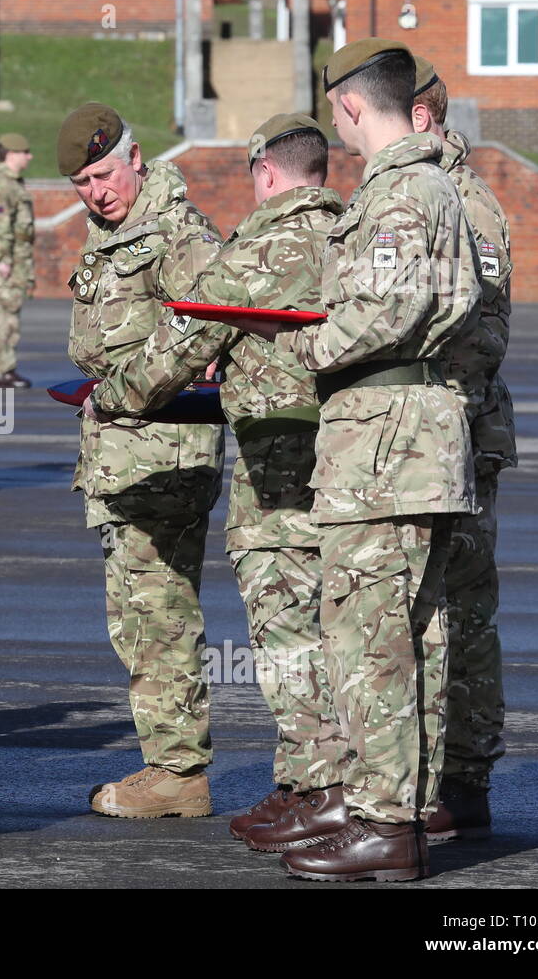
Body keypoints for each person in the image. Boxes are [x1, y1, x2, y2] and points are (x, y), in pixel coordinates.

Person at [230, 39, 480, 882]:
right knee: (411, 633)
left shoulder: (402, 189)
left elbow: (389, 308)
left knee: (369, 637)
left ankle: (384, 822)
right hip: (412, 432)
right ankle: (396, 814)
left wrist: (299, 344)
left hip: (384, 438)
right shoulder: (434, 182)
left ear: (344, 106)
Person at [89, 113, 347, 847]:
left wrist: (115, 395)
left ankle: (314, 788)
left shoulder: (259, 246)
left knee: (288, 636)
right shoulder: (358, 237)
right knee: (356, 636)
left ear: (265, 172)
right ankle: (376, 786)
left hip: (278, 480)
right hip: (363, 470)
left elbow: (182, 343)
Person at [58, 102, 225, 819]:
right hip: (124, 456)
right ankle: (170, 763)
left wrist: (128, 390)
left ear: (135, 157)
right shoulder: (112, 235)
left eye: (102, 173)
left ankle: (178, 772)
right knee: (138, 613)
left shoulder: (175, 233)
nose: (95, 191)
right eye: (80, 182)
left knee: (158, 612)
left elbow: (208, 329)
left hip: (164, 456)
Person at [412, 56, 516, 843]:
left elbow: (478, 338)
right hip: (434, 431)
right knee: (442, 607)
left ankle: (464, 775)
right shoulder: (423, 195)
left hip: (460, 433)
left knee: (461, 611)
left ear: (419, 117)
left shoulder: (465, 205)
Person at [0, 132, 35, 388]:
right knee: (5, 319)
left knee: (9, 316)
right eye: (25, 152)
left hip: (17, 260)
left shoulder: (14, 183)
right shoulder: (5, 186)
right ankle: (2, 369)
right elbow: (0, 226)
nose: (30, 156)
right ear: (11, 154)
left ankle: (6, 367)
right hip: (10, 262)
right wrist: (4, 259)